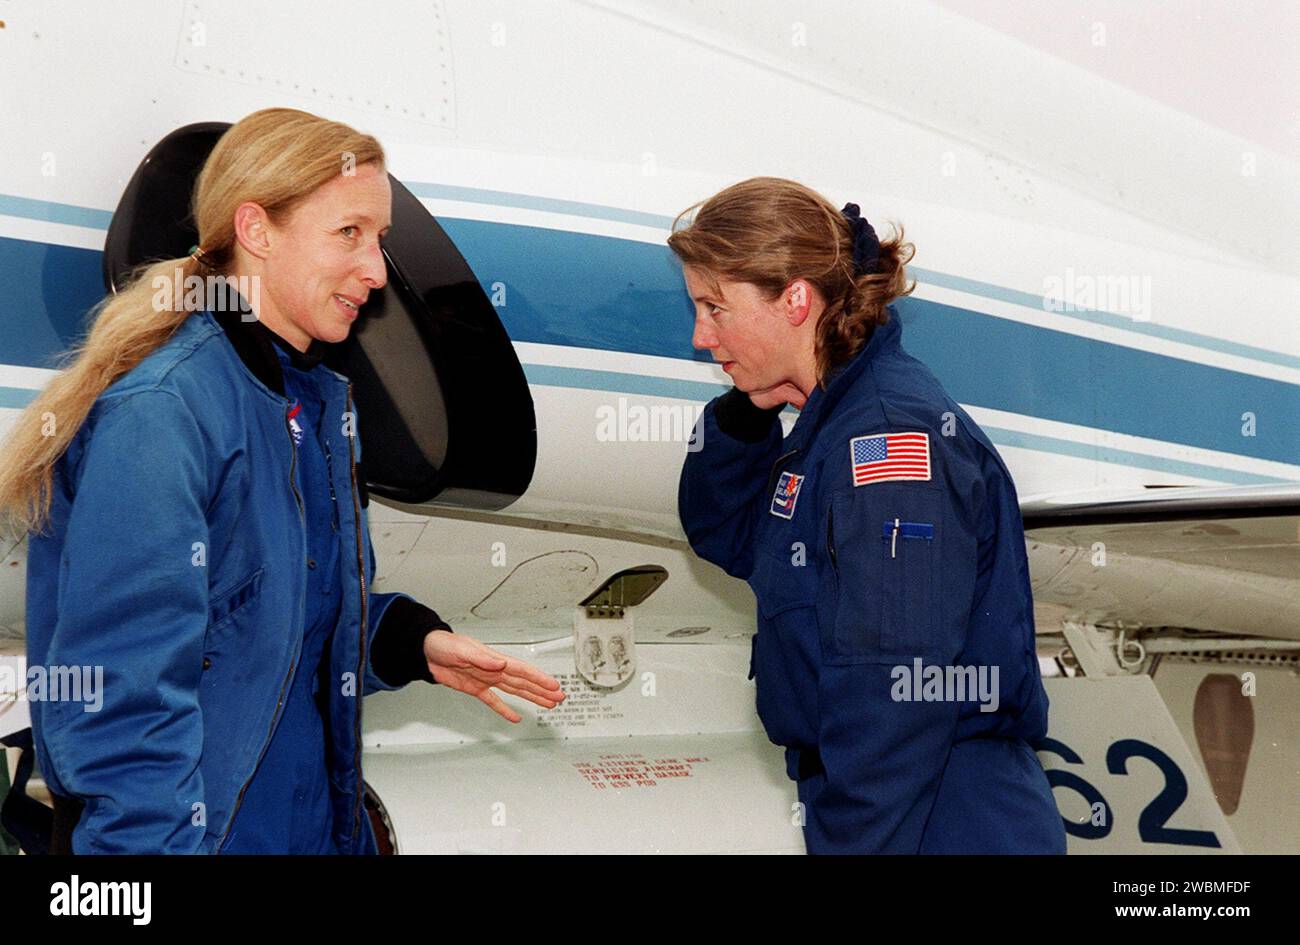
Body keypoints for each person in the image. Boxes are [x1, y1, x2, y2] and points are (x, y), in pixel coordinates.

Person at [0, 108, 565, 854]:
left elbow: (262, 621)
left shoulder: (309, 401)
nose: (374, 270)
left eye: (380, 239)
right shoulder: (165, 414)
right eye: (349, 233)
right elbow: (120, 705)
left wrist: (401, 640)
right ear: (258, 231)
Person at [672, 177, 1065, 854]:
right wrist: (746, 406)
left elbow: (896, 693)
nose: (701, 335)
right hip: (888, 804)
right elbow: (728, 532)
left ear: (795, 298)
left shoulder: (885, 442)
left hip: (932, 812)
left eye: (716, 308)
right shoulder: (830, 428)